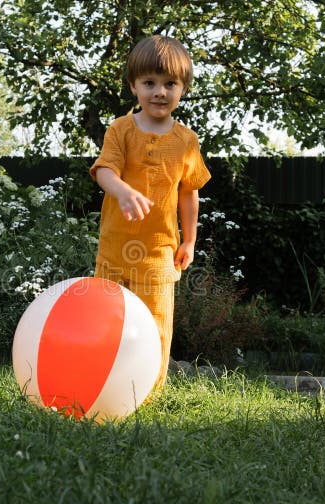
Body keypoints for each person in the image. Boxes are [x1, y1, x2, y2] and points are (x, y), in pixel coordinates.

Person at [90, 34, 211, 394]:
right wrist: (124, 191)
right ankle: (104, 384)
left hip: (159, 254)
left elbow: (189, 193)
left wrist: (189, 240)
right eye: (149, 83)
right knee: (108, 320)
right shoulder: (120, 129)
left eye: (170, 84)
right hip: (115, 250)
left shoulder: (187, 141)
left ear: (182, 89)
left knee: (157, 324)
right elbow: (104, 171)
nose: (160, 91)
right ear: (134, 87)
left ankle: (148, 393)